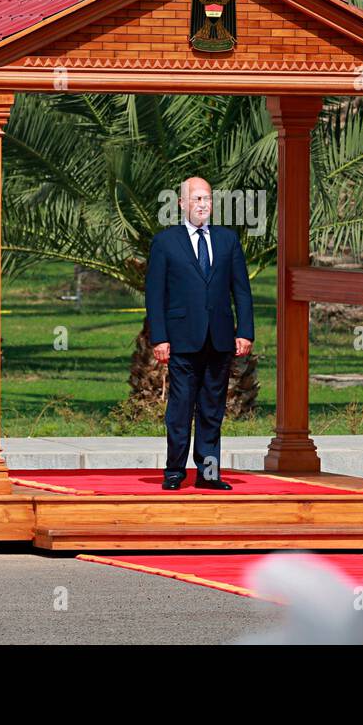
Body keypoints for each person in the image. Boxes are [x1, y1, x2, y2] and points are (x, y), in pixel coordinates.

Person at [145, 176, 254, 490]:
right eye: (196, 199)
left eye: (206, 199)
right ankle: (174, 472)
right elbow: (155, 295)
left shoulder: (227, 240)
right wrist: (160, 338)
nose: (203, 205)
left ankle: (208, 474)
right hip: (181, 341)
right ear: (181, 203)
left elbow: (241, 292)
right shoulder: (166, 242)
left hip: (219, 339)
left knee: (211, 409)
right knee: (180, 409)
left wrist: (244, 331)